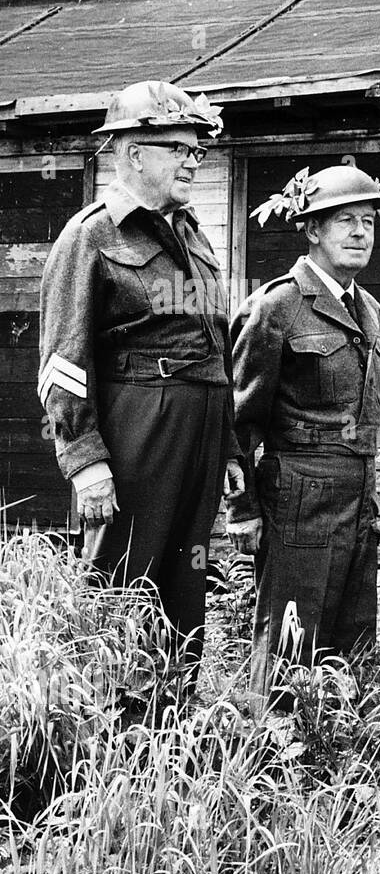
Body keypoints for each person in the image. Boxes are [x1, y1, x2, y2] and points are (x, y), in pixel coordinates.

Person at [38, 79, 237, 697]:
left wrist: (226, 446)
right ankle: (108, 728)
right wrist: (86, 463)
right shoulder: (90, 236)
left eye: (196, 150)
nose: (192, 161)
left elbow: (214, 347)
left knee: (187, 579)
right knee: (127, 576)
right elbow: (61, 364)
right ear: (131, 153)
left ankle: (169, 725)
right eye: (177, 148)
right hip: (138, 426)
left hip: (198, 430)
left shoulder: (193, 235)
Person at [225, 165, 380, 705]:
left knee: (353, 638)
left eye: (368, 221)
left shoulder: (367, 308)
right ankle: (270, 760)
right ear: (312, 230)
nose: (360, 233)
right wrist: (242, 508)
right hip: (297, 495)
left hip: (357, 495)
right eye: (345, 220)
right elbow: (237, 426)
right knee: (289, 641)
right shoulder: (276, 308)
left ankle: (339, 761)